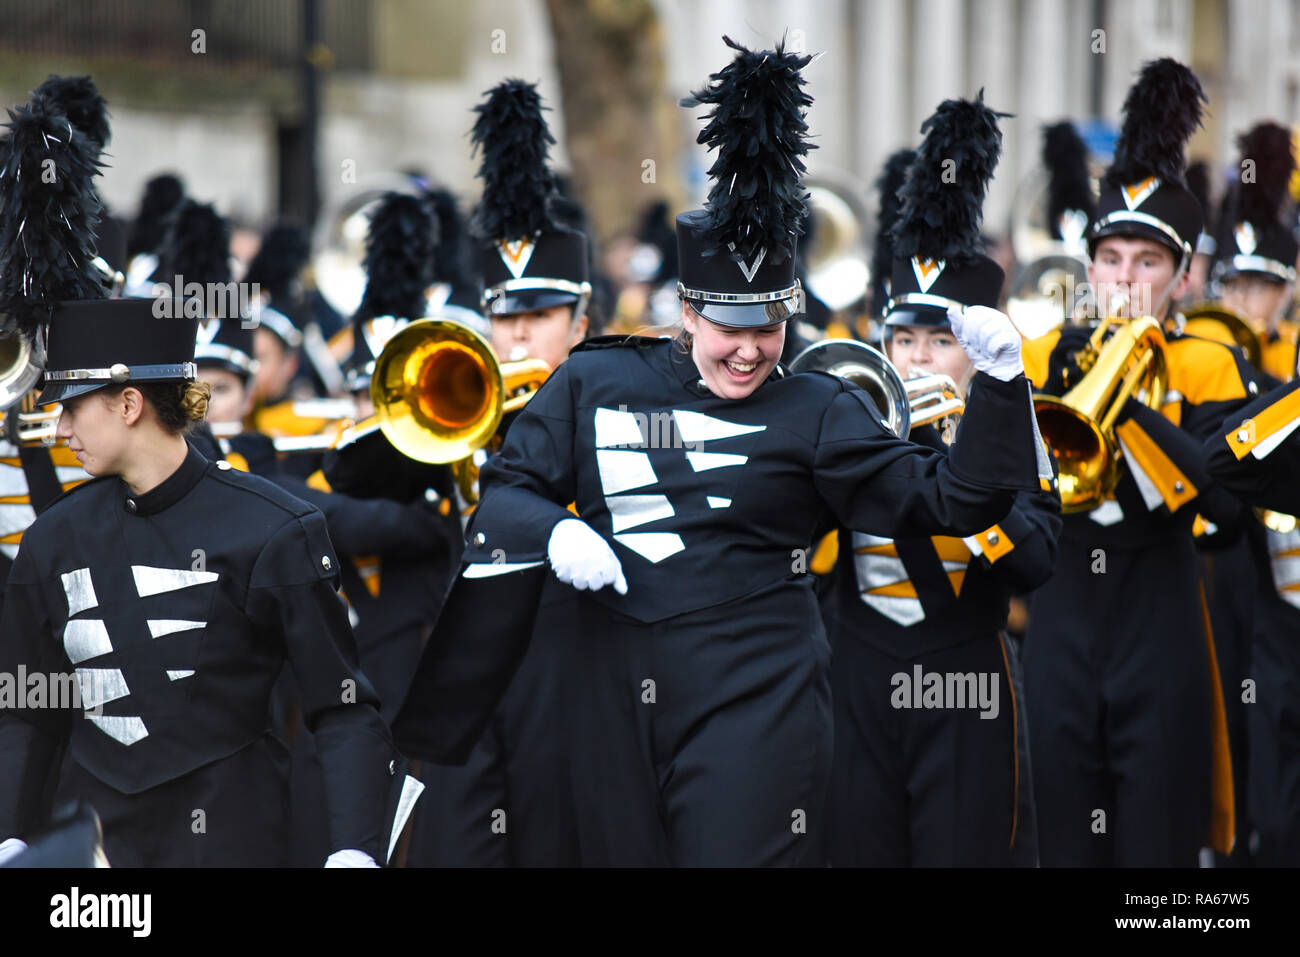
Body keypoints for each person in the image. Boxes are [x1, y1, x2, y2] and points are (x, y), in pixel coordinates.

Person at [393, 36, 1044, 867]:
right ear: (689, 313)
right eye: (730, 328)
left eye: (769, 327)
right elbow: (506, 493)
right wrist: (554, 530)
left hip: (757, 701)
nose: (749, 351)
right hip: (612, 695)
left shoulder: (819, 407)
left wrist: (1001, 385)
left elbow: (953, 501)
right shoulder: (595, 380)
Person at [1019, 59, 1262, 866]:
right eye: (1111, 258)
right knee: (1064, 840)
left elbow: (1224, 517)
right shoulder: (1042, 356)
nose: (1125, 281)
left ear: (1182, 276)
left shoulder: (1209, 364)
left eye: (1148, 262)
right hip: (1060, 626)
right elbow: (1007, 498)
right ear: (1088, 267)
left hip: (1161, 628)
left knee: (1157, 854)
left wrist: (1130, 403)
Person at [821, 96, 1061, 867]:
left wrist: (967, 461)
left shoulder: (1014, 427)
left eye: (940, 340)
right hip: (858, 670)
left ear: (976, 349)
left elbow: (1037, 561)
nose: (918, 358)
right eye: (903, 337)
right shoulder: (851, 413)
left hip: (965, 677)